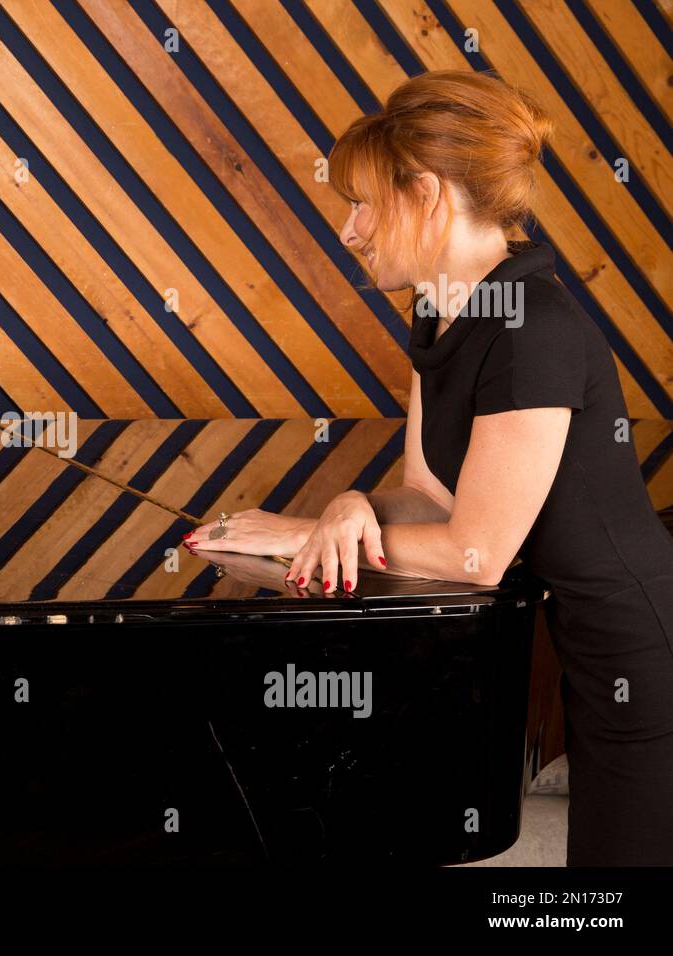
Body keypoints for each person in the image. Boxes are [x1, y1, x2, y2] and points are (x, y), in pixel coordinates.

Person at [185, 71, 673, 866]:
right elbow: (427, 495)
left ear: (427, 193)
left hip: (643, 651)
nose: (350, 231)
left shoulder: (531, 330)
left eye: (364, 203)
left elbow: (474, 556)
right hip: (578, 646)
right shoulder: (442, 306)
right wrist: (351, 506)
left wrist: (297, 535)